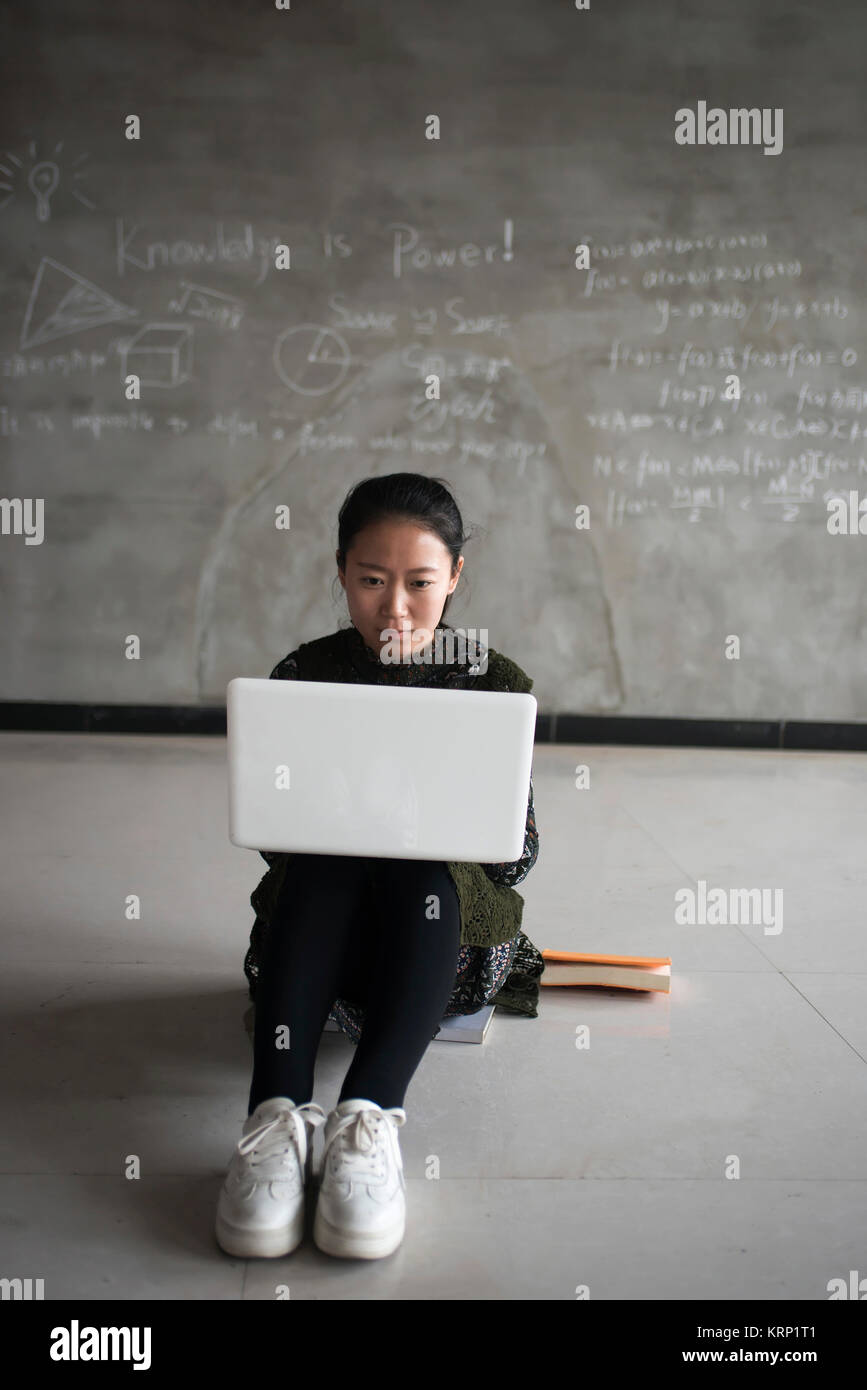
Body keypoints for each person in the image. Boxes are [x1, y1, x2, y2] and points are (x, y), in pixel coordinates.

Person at [215, 472, 542, 1262]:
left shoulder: (490, 679)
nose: (393, 608)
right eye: (370, 581)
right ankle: (276, 1120)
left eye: (419, 583)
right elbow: (274, 835)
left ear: (456, 577)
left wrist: (431, 825)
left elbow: (518, 856)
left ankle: (368, 1119)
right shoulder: (305, 671)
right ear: (340, 572)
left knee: (418, 872)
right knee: (324, 860)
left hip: (445, 949)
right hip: (324, 940)